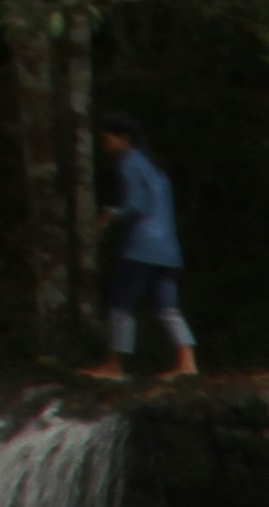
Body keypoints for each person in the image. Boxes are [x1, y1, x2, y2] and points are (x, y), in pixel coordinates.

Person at [86, 116, 194, 382]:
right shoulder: (155, 167)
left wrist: (107, 218)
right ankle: (187, 360)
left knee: (121, 304)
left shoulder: (129, 163)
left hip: (141, 246)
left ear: (123, 138)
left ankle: (114, 365)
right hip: (168, 248)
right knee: (167, 308)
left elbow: (137, 204)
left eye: (108, 138)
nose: (106, 144)